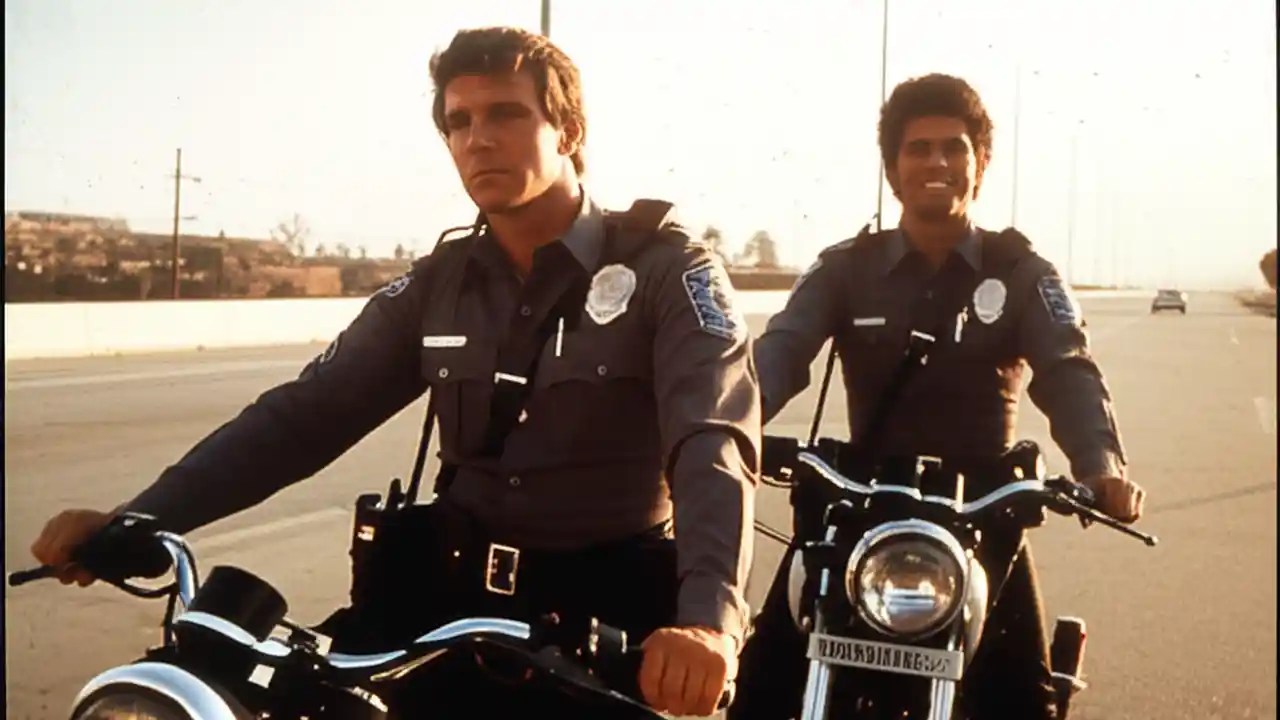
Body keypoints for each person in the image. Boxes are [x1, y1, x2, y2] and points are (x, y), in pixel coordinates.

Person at [28, 26, 760, 719]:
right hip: (435, 605)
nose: (477, 138)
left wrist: (708, 623)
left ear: (567, 132)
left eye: (505, 113)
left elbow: (711, 444)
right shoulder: (440, 281)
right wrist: (140, 519)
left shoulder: (668, 271)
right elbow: (306, 414)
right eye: (458, 121)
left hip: (603, 624)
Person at [728, 73, 1146, 719]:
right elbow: (780, 352)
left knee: (1022, 697)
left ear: (979, 164)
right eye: (918, 148)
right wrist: (725, 430)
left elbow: (1067, 369)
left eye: (954, 147)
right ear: (893, 168)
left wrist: (1102, 468)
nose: (937, 162)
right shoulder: (846, 267)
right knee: (762, 680)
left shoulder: (1021, 272)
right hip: (860, 501)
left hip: (984, 509)